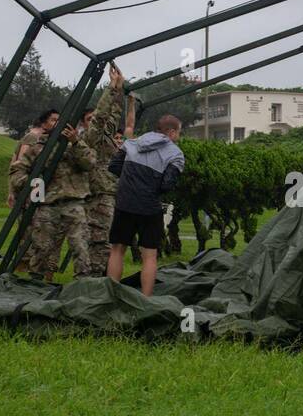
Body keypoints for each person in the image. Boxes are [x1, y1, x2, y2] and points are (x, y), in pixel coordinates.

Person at [10, 114, 94, 282]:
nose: (58, 123)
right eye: (54, 120)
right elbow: (17, 170)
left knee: (80, 245)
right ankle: (35, 282)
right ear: (45, 125)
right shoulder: (39, 146)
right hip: (47, 203)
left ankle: (83, 283)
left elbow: (89, 163)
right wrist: (33, 183)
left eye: (60, 120)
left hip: (74, 201)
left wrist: (75, 142)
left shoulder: (77, 144)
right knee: (42, 247)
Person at [107, 113, 185, 295]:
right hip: (149, 208)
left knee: (117, 249)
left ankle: (109, 295)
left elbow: (114, 167)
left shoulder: (132, 143)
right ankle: (145, 300)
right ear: (172, 132)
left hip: (124, 203)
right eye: (179, 132)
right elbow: (167, 185)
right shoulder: (176, 154)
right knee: (149, 255)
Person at [80, 63, 134, 277]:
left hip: (110, 194)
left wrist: (119, 90)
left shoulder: (107, 139)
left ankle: (101, 278)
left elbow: (113, 116)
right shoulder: (91, 138)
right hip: (99, 195)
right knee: (99, 240)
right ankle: (95, 280)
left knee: (108, 241)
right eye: (89, 119)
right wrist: (111, 88)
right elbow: (101, 117)